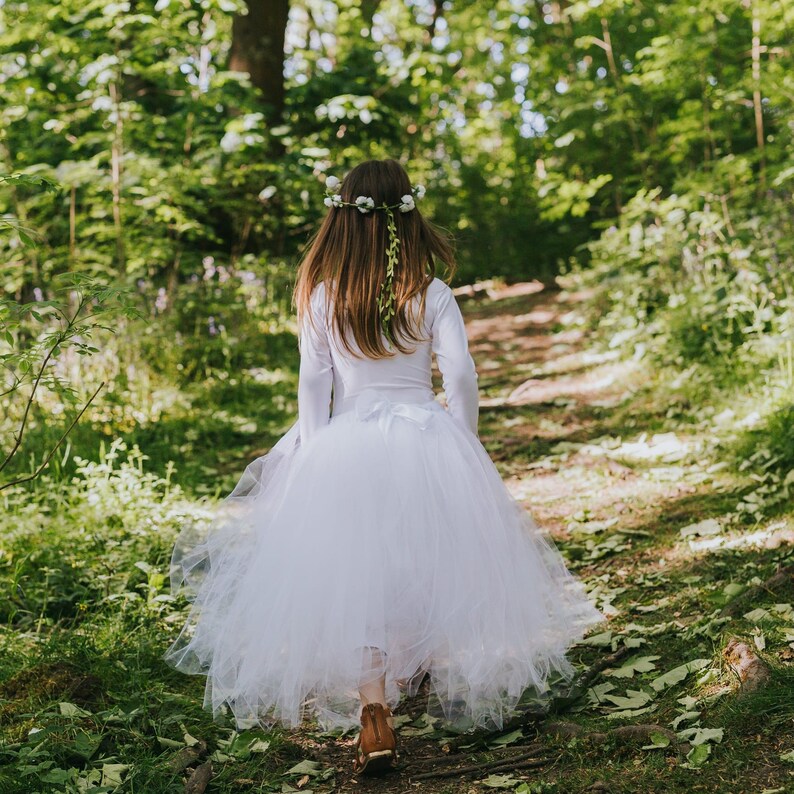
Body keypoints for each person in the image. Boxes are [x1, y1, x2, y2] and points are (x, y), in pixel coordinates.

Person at [163, 158, 606, 775]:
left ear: (341, 219)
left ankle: (374, 712)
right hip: (424, 432)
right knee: (422, 553)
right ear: (409, 216)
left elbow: (313, 386)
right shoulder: (430, 293)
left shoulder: (324, 298)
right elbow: (460, 375)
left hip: (346, 443)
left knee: (357, 568)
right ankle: (420, 667)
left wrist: (316, 454)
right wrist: (462, 442)